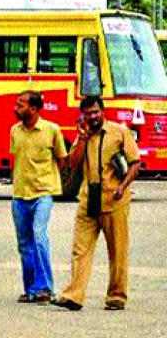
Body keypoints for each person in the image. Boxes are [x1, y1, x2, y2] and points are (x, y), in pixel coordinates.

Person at [52, 96, 140, 311]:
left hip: (114, 200)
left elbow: (135, 163)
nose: (92, 117)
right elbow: (72, 164)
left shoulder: (120, 132)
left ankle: (116, 296)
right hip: (88, 199)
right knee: (80, 249)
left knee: (117, 250)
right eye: (88, 114)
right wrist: (81, 138)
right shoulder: (84, 135)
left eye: (95, 112)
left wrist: (123, 186)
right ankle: (74, 295)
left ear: (102, 111)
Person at [9, 91, 66, 304]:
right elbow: (16, 159)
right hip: (20, 195)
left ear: (33, 108)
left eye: (21, 104)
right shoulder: (15, 131)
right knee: (24, 244)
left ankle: (45, 287)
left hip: (43, 193)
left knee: (39, 236)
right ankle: (31, 288)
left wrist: (52, 182)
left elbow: (62, 160)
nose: (17, 108)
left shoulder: (52, 130)